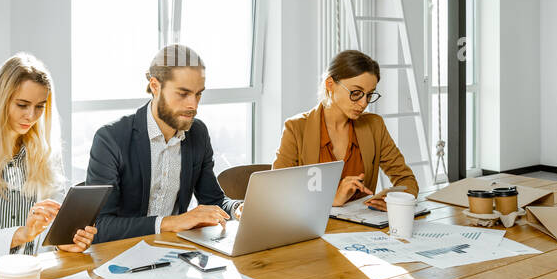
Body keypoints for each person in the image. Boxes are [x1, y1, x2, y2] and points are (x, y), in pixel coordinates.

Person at [0, 53, 95, 260]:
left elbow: (53, 224)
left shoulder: (46, 152)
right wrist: (21, 235)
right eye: (22, 105)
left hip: (40, 270)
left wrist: (64, 241)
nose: (31, 116)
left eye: (40, 106)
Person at [85, 44, 241, 243]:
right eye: (183, 94)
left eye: (198, 94)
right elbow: (100, 225)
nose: (193, 105)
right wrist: (172, 222)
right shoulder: (110, 139)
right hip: (119, 257)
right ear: (155, 86)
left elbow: (214, 201)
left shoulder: (198, 134)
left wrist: (238, 209)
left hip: (174, 255)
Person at [274, 49, 419, 209]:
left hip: (363, 228)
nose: (363, 103)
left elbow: (407, 180)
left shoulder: (374, 126)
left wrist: (396, 201)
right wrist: (332, 200)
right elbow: (278, 193)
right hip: (312, 228)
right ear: (330, 84)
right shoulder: (295, 128)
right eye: (356, 93)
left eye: (369, 95)